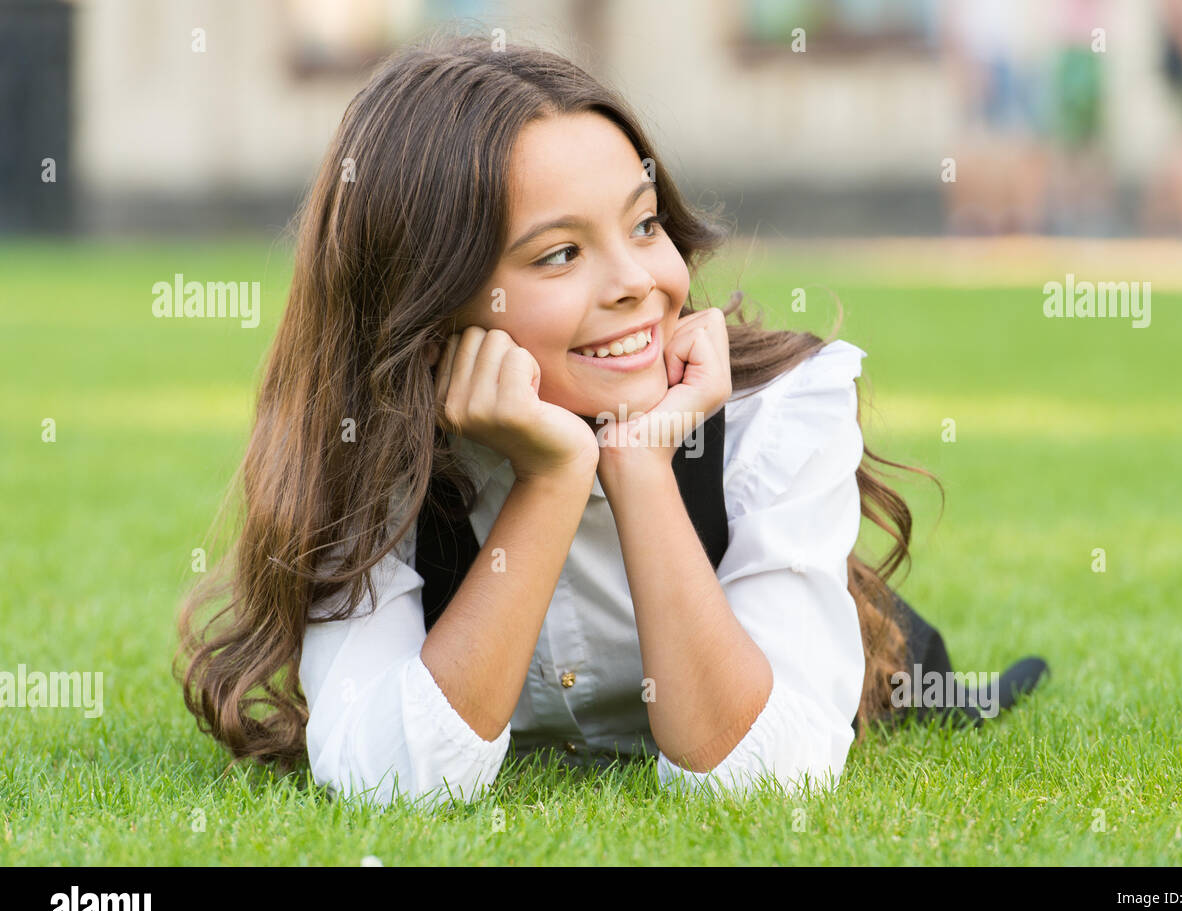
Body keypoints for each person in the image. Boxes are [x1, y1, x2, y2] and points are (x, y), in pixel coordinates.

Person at [174, 33, 1049, 811]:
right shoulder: (367, 451)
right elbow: (389, 782)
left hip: (863, 662)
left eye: (644, 223)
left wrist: (638, 461)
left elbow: (766, 781)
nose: (637, 280)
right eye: (559, 253)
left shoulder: (777, 410)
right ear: (429, 305)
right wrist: (552, 481)